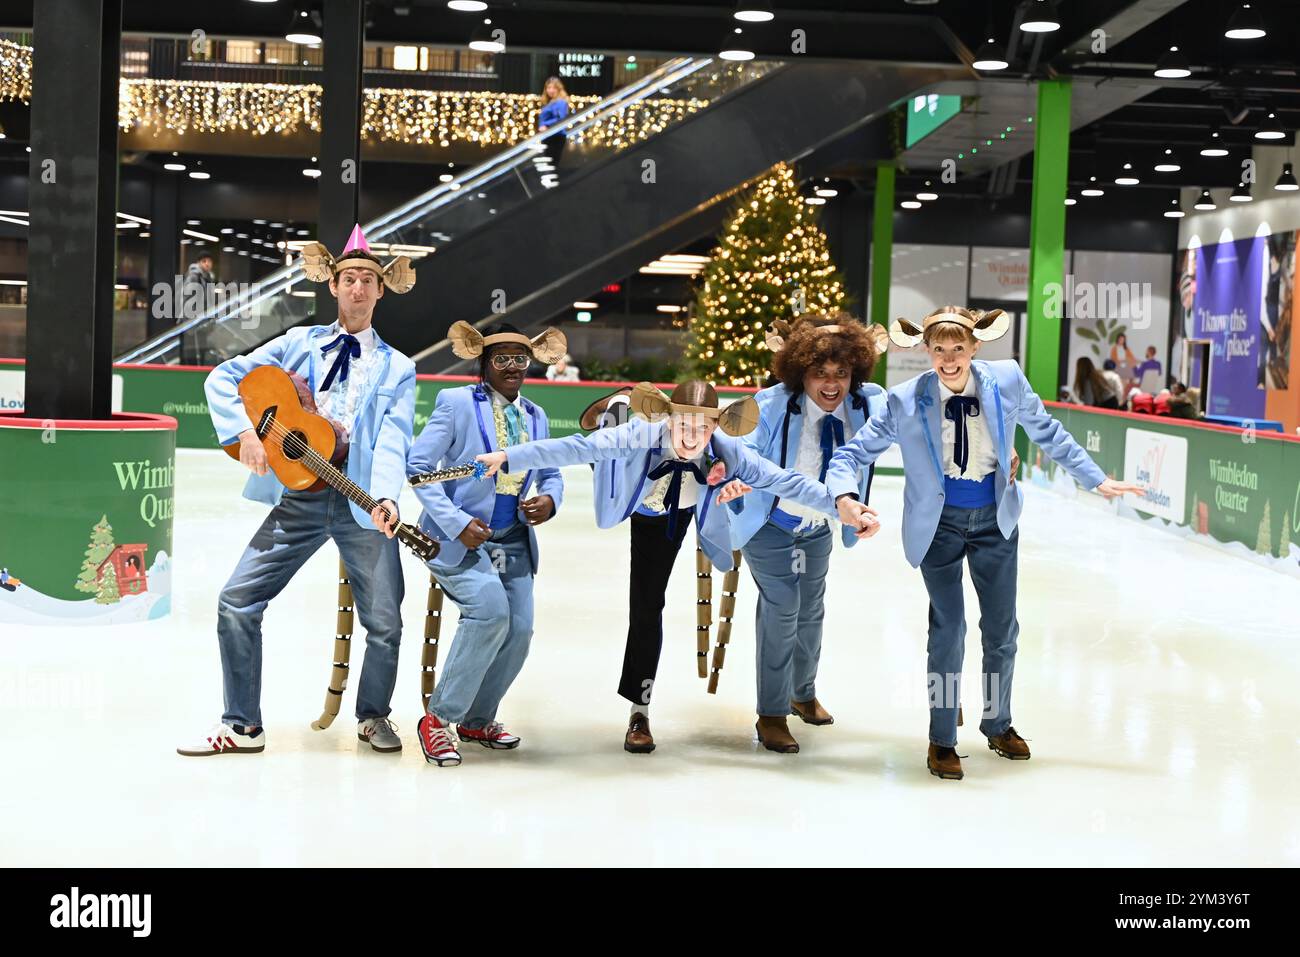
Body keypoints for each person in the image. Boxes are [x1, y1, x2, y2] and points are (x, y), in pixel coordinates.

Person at [476, 380, 876, 754]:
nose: (691, 435)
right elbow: (572, 449)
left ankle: (623, 412)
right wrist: (508, 457)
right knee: (647, 606)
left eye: (702, 428)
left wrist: (844, 505)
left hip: (699, 508)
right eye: (684, 424)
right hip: (645, 502)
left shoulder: (729, 449)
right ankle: (639, 711)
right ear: (669, 418)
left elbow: (789, 482)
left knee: (731, 488)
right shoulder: (642, 434)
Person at [829, 306, 1141, 781]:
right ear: (926, 352)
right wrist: (846, 496)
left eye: (959, 348)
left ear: (975, 348)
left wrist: (1095, 480)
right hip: (938, 526)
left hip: (995, 521)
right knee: (948, 629)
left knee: (1001, 631)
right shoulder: (905, 400)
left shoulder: (1008, 380)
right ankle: (941, 737)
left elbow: (1048, 432)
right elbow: (853, 453)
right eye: (939, 349)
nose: (949, 358)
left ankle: (997, 722)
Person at [179, 225, 417, 757]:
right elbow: (223, 378)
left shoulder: (398, 367)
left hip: (359, 501)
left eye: (367, 281)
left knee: (385, 621)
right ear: (333, 286)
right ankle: (242, 725)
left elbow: (395, 439)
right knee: (237, 601)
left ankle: (373, 715)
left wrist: (386, 498)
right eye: (348, 278)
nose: (357, 288)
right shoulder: (298, 343)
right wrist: (243, 433)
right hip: (300, 497)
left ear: (380, 291)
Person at [407, 321, 568, 768]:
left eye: (521, 357)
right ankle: (438, 720)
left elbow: (551, 471)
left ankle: (478, 719)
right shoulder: (456, 403)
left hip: (514, 539)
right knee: (490, 614)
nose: (514, 366)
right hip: (454, 541)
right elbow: (419, 467)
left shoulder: (536, 415)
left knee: (519, 630)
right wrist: (457, 522)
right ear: (484, 363)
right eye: (503, 358)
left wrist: (551, 499)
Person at [729, 314, 888, 753]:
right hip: (769, 523)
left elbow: (923, 415)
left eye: (841, 373)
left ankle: (802, 692)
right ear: (801, 372)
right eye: (820, 373)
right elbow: (742, 449)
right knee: (783, 608)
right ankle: (771, 712)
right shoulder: (773, 402)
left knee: (812, 610)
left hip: (817, 527)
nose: (831, 384)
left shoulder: (869, 403)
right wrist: (739, 476)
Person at [536, 76, 571, 179]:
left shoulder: (561, 102)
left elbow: (561, 119)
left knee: (551, 166)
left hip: (556, 137)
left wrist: (546, 125)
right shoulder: (549, 102)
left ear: (559, 89)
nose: (550, 90)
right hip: (547, 136)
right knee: (547, 166)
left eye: (554, 88)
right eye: (548, 87)